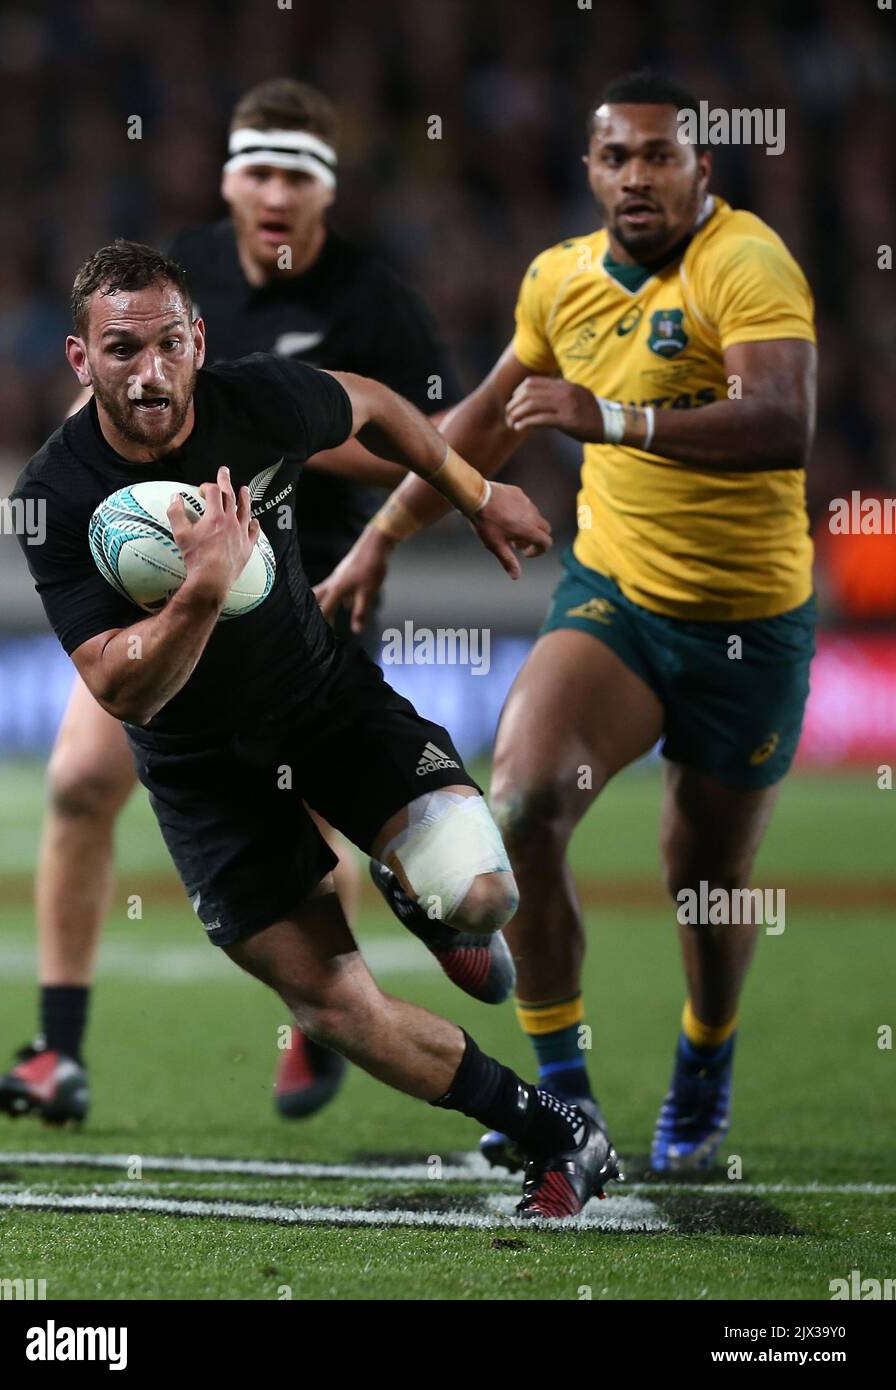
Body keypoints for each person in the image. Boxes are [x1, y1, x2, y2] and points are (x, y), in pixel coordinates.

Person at [0, 240, 620, 1220]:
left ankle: (417, 892)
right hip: (202, 771)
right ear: (80, 360)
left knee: (485, 898)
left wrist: (475, 494)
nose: (149, 370)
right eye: (121, 349)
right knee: (332, 1007)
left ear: (198, 340)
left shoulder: (257, 402)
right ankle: (556, 1127)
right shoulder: (51, 497)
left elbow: (373, 403)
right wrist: (202, 591)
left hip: (321, 703)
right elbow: (120, 692)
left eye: (168, 343)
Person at [314, 71, 818, 1174]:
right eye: (615, 157)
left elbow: (783, 421)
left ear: (702, 169)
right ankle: (562, 1089)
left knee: (705, 875)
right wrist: (381, 538)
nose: (635, 174)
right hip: (619, 603)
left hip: (747, 623)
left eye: (658, 154)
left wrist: (617, 417)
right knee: (524, 802)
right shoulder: (560, 279)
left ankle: (705, 1053)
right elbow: (482, 424)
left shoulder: (744, 261)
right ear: (589, 170)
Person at [0, 78, 464, 1125]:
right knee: (77, 780)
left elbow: (419, 435)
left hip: (311, 580)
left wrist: (375, 514)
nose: (273, 190)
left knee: (309, 802)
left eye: (296, 170)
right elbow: (106, 401)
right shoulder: (180, 275)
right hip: (169, 580)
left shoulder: (372, 305)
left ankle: (337, 995)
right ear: (229, 179)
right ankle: (56, 1052)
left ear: (326, 189)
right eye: (256, 167)